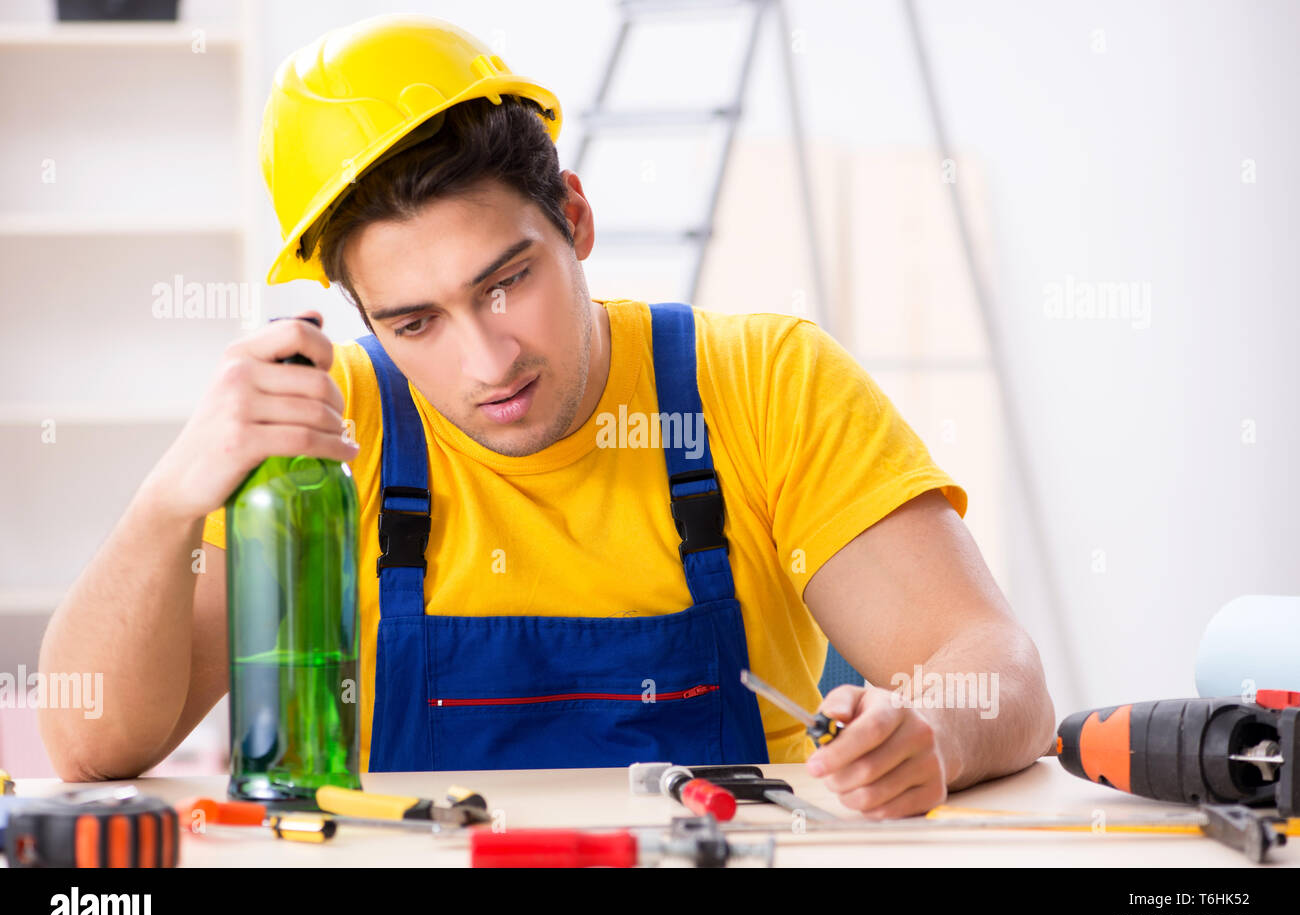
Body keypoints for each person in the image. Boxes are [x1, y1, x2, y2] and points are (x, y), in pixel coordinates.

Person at [39, 14, 1055, 818]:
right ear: (362, 320)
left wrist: (928, 731)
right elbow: (91, 746)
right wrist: (171, 497)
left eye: (504, 282)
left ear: (573, 216)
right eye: (414, 322)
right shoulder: (326, 440)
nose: (488, 361)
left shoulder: (764, 383)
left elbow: (994, 669)